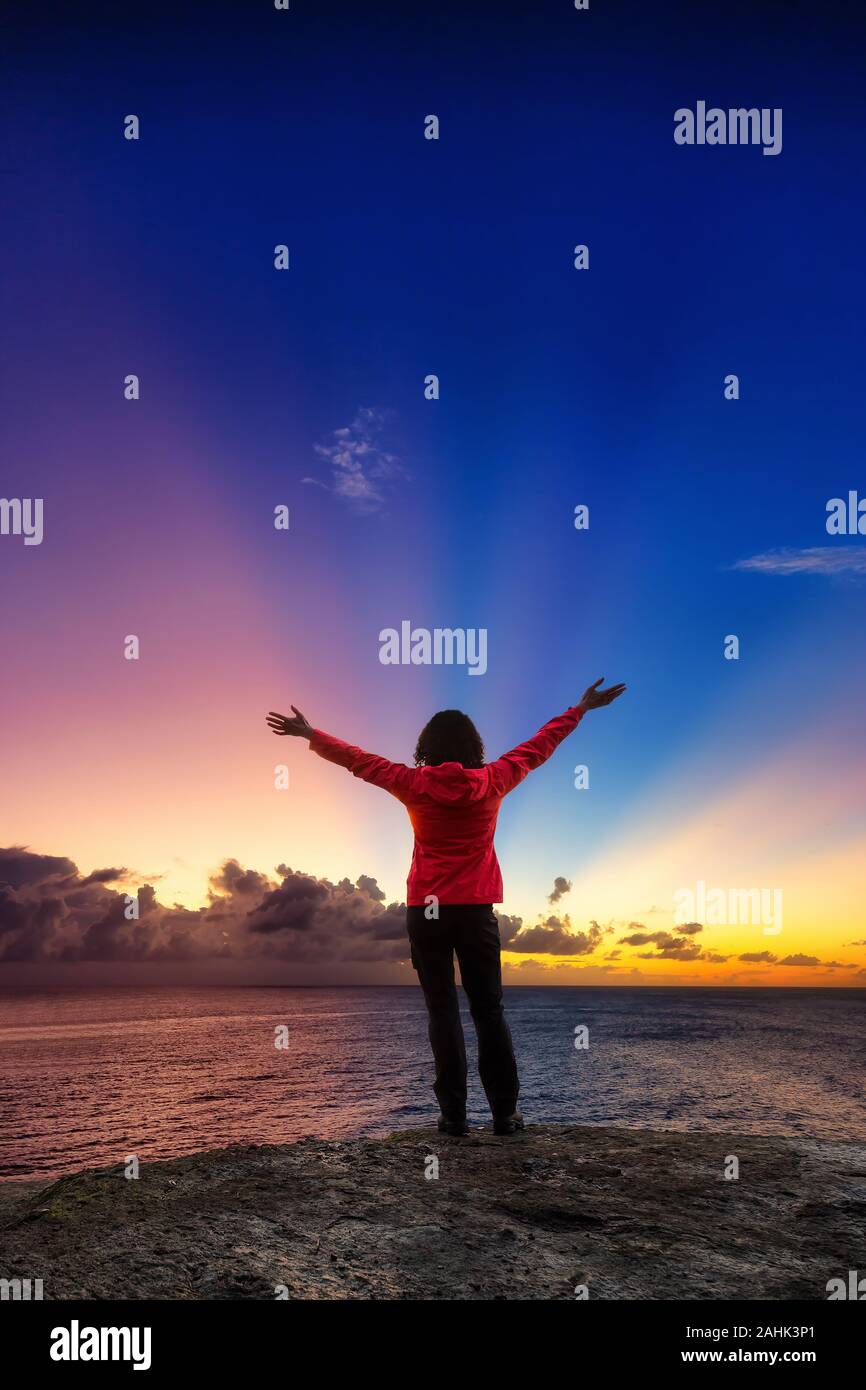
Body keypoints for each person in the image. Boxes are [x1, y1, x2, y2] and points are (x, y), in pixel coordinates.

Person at [266, 678, 626, 1136]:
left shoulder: (412, 782)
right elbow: (539, 746)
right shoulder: (494, 779)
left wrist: (311, 735)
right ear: (473, 747)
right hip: (475, 912)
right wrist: (580, 708)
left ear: (426, 748)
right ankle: (504, 1115)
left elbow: (360, 761)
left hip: (427, 912)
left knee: (442, 1012)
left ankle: (453, 1116)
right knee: (488, 1012)